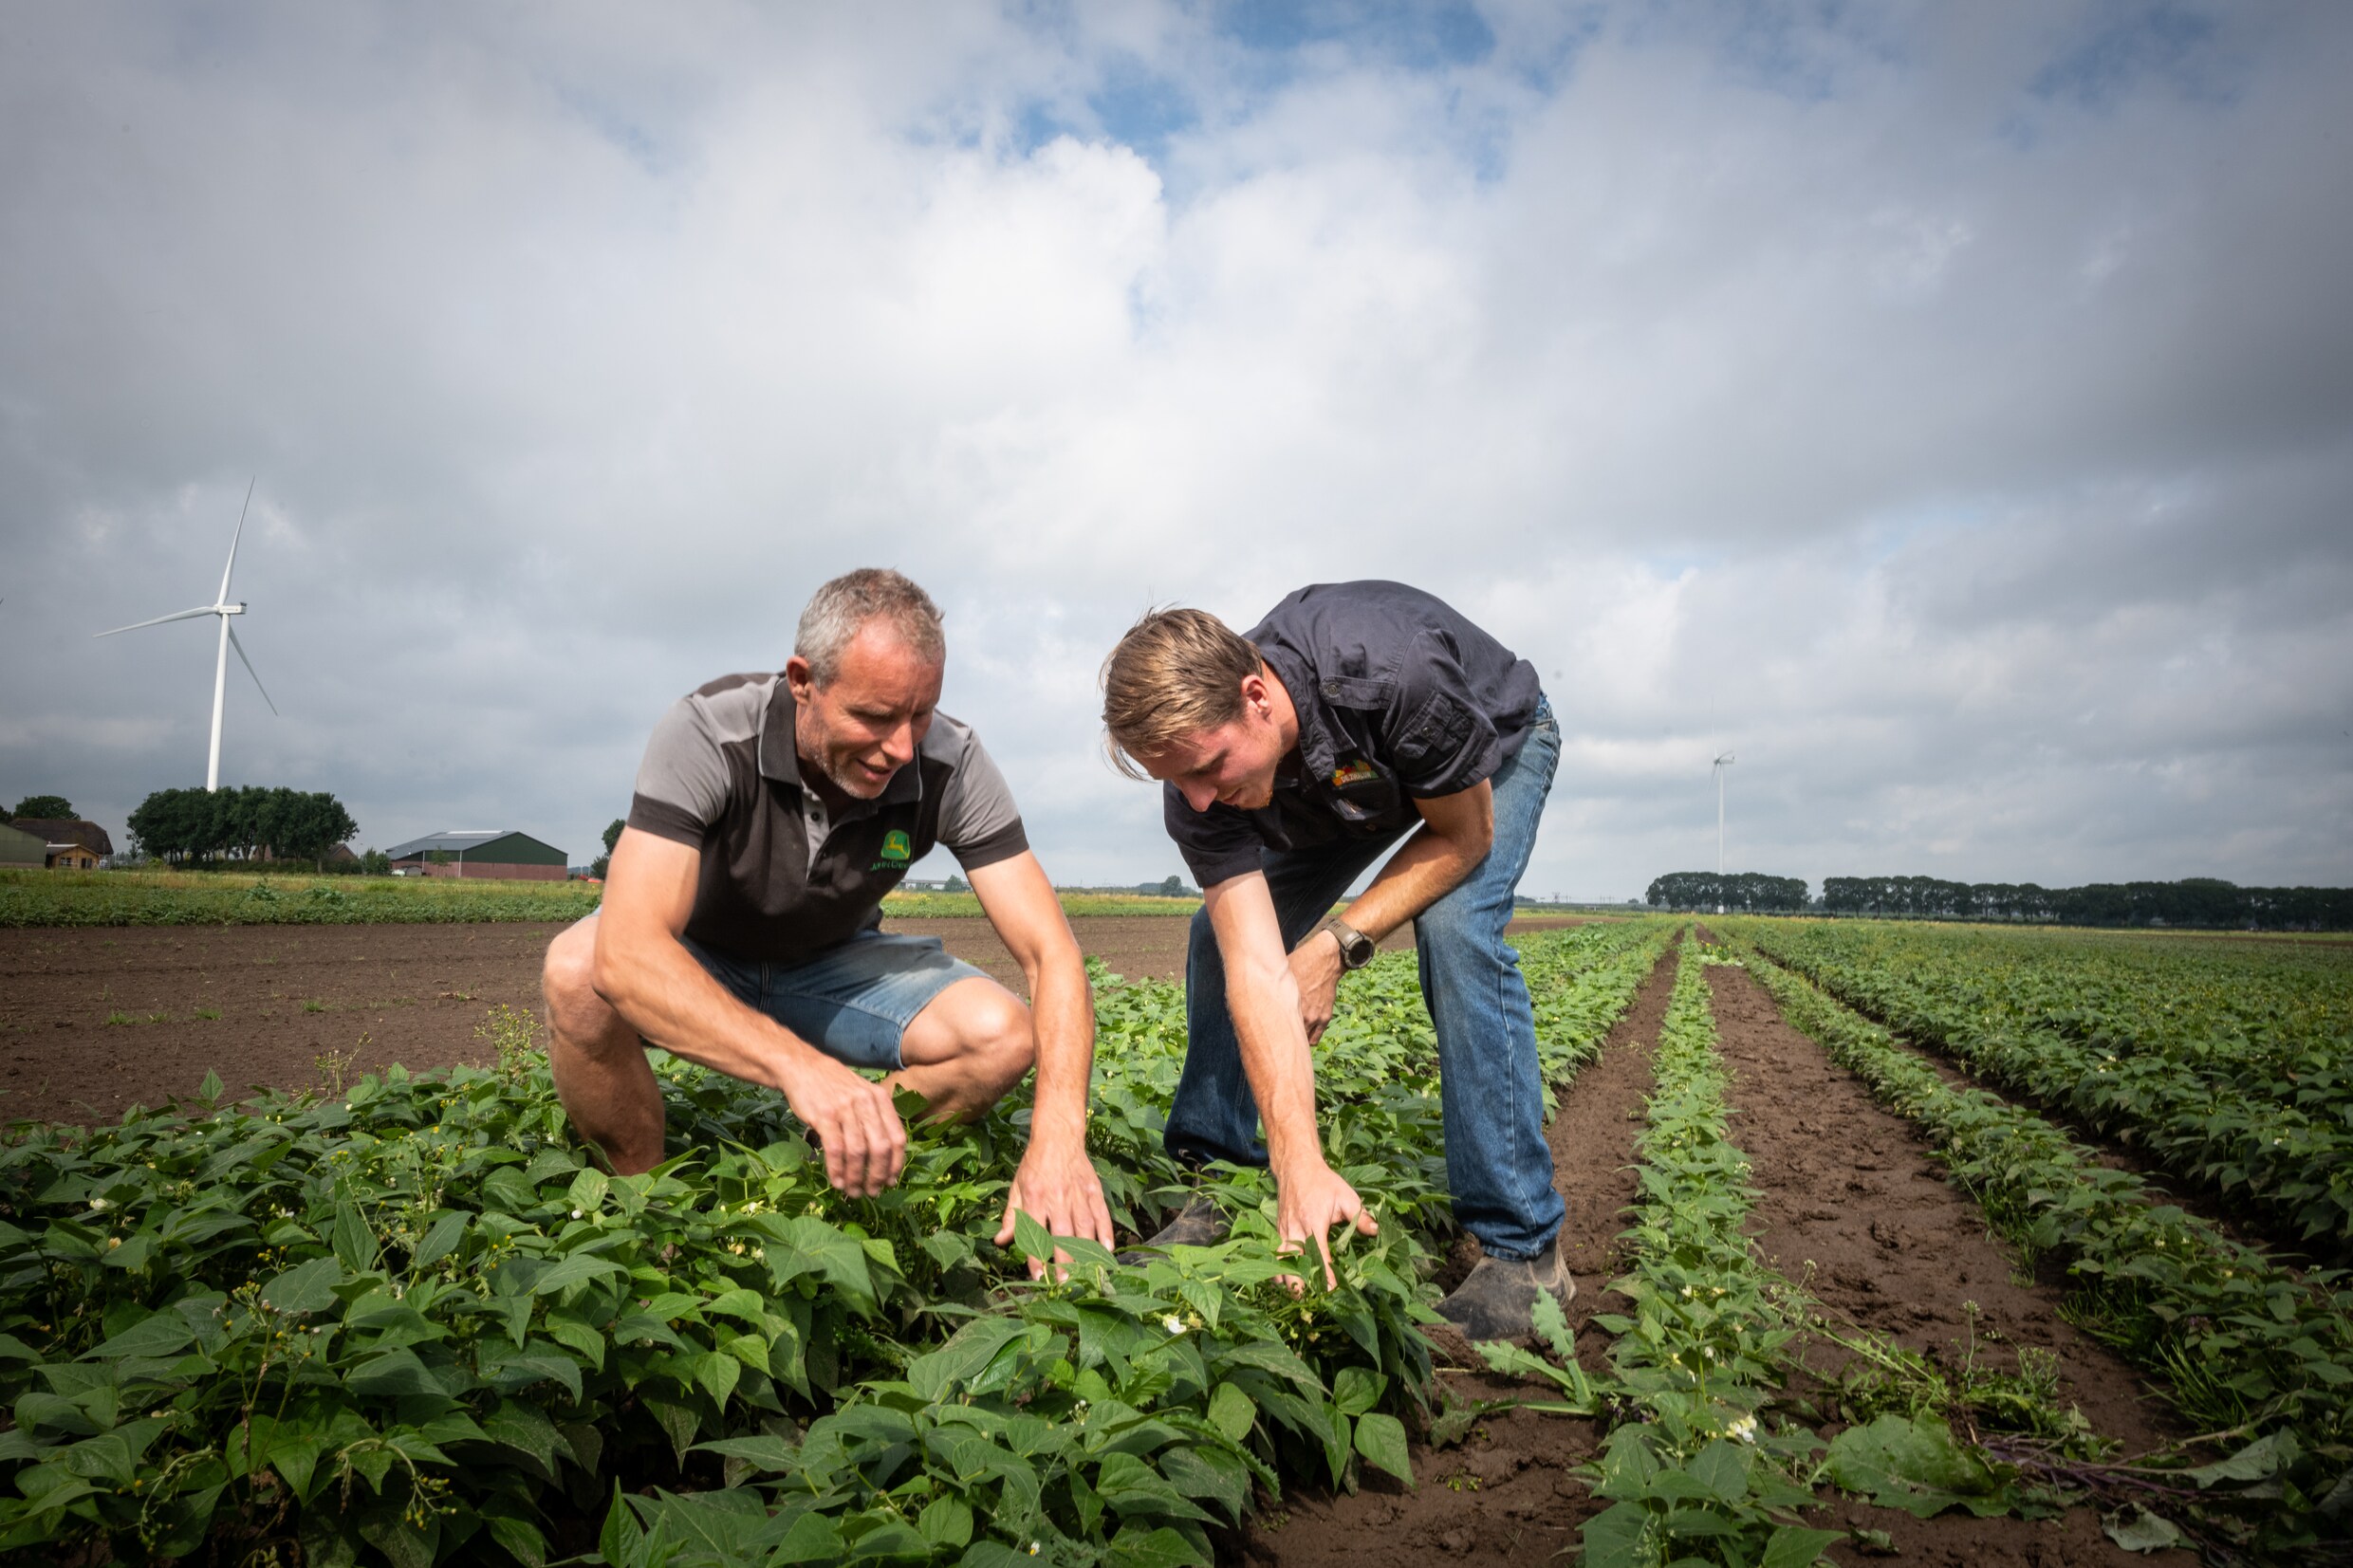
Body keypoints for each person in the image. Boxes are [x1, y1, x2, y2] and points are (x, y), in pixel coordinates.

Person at [544, 568, 1112, 1260]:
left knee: (1001, 1036)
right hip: (701, 954)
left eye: (920, 714)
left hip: (832, 965)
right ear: (802, 681)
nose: (901, 747)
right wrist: (802, 1069)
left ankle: (830, 1167)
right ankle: (645, 1208)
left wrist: (1059, 1137)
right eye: (874, 716)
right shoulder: (709, 732)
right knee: (577, 971)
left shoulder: (951, 763)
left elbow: (1052, 953)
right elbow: (628, 952)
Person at [1099, 581, 1566, 1340]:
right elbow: (1255, 969)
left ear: (1256, 697)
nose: (1197, 799)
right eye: (1175, 780)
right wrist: (1302, 1165)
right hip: (1334, 786)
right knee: (1216, 939)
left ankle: (1525, 1251)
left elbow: (1463, 837)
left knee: (1457, 930)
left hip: (1482, 756)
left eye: (1209, 767)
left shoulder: (1395, 673)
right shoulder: (1201, 787)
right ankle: (1222, 1184)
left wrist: (1335, 944)